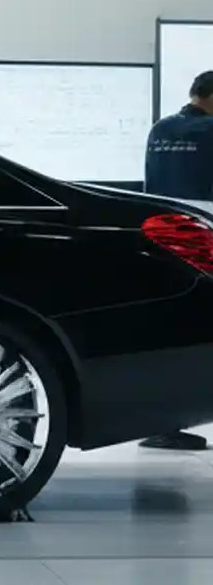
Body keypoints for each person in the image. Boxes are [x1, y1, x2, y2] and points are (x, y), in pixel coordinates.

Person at [138, 70, 213, 451]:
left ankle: (162, 424)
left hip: (161, 241)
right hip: (202, 240)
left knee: (167, 332)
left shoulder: (160, 129)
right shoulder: (210, 131)